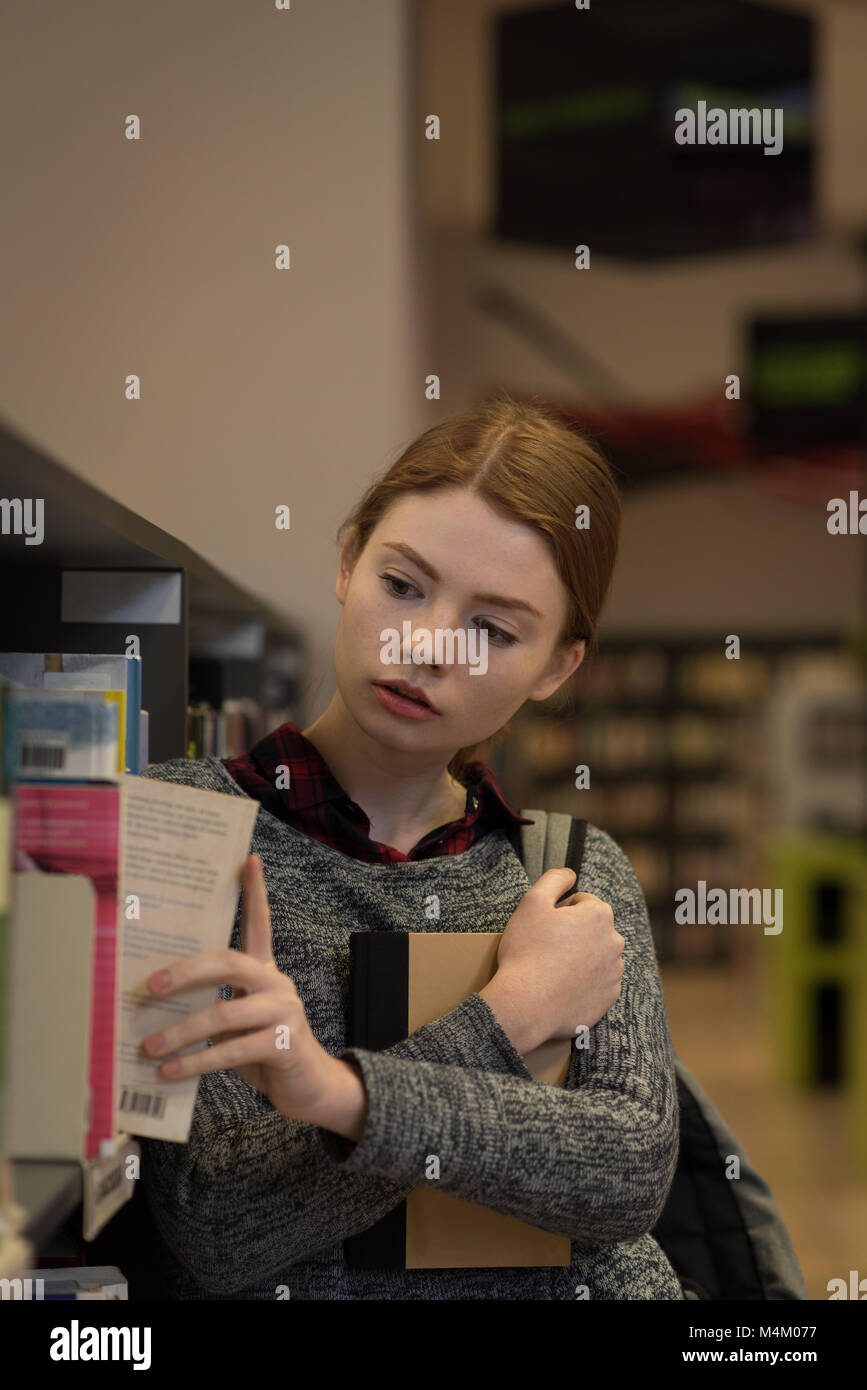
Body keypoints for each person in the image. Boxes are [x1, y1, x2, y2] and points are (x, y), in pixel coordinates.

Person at [137, 394, 684, 1300]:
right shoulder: (187, 832)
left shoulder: (569, 872)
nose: (425, 645)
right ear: (349, 560)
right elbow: (221, 1229)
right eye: (402, 584)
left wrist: (336, 1097)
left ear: (556, 666)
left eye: (492, 629)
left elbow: (625, 1179)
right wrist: (512, 1014)